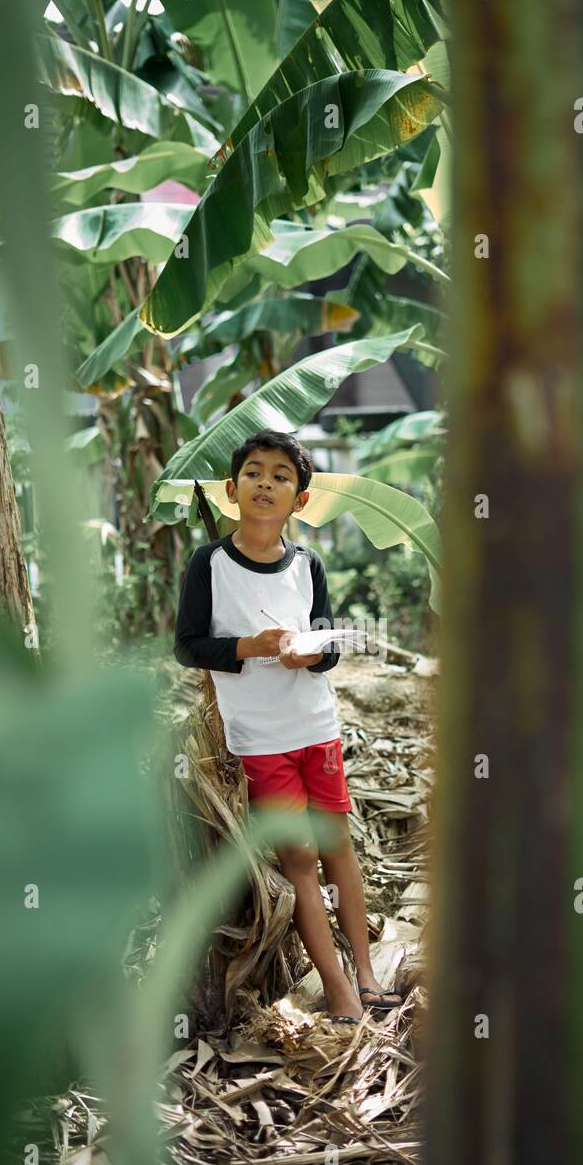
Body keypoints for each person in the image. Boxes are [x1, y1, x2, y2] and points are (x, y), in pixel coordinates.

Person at [173, 429, 402, 1025]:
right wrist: (249, 645)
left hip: (316, 724)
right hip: (259, 737)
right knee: (300, 856)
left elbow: (327, 643)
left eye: (281, 476)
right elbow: (188, 645)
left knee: (338, 849)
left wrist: (312, 656)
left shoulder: (308, 564)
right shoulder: (210, 564)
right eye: (254, 472)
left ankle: (369, 972)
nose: (266, 483)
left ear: (300, 499)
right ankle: (338, 987)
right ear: (232, 489)